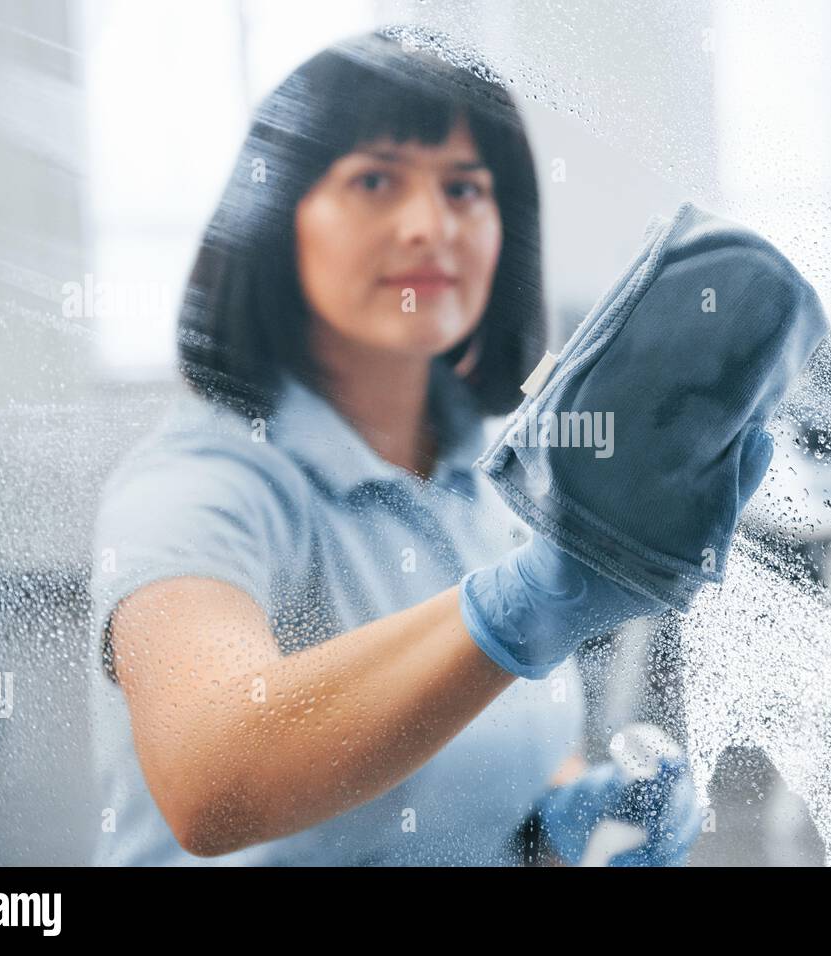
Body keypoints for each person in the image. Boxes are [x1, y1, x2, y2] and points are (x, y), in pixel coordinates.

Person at [87, 26, 759, 866]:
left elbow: (482, 738)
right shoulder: (199, 483)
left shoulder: (489, 473)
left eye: (465, 190)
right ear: (275, 220)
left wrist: (554, 818)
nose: (427, 225)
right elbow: (210, 777)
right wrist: (522, 607)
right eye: (374, 180)